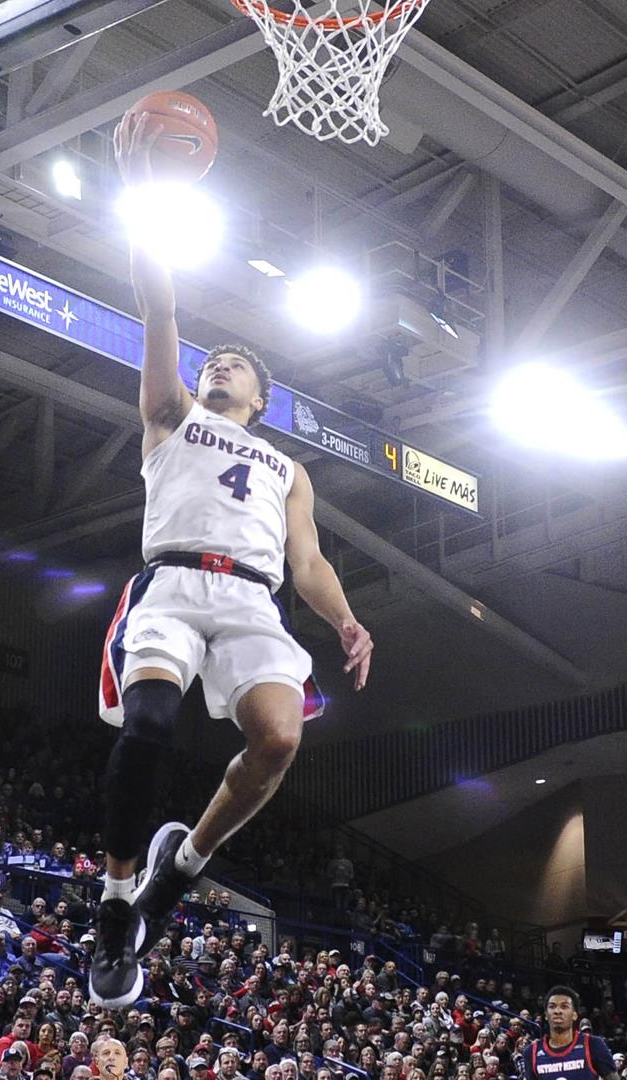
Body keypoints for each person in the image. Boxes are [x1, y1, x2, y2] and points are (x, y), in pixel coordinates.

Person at [85, 109, 376, 1010]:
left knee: (281, 736)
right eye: (217, 359)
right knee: (147, 731)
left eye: (237, 364)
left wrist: (345, 619)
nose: (220, 363)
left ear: (264, 398)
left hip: (253, 600)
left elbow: (309, 563)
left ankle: (186, 862)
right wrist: (142, 195)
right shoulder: (171, 411)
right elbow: (160, 302)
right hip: (172, 581)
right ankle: (116, 901)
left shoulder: (289, 467)